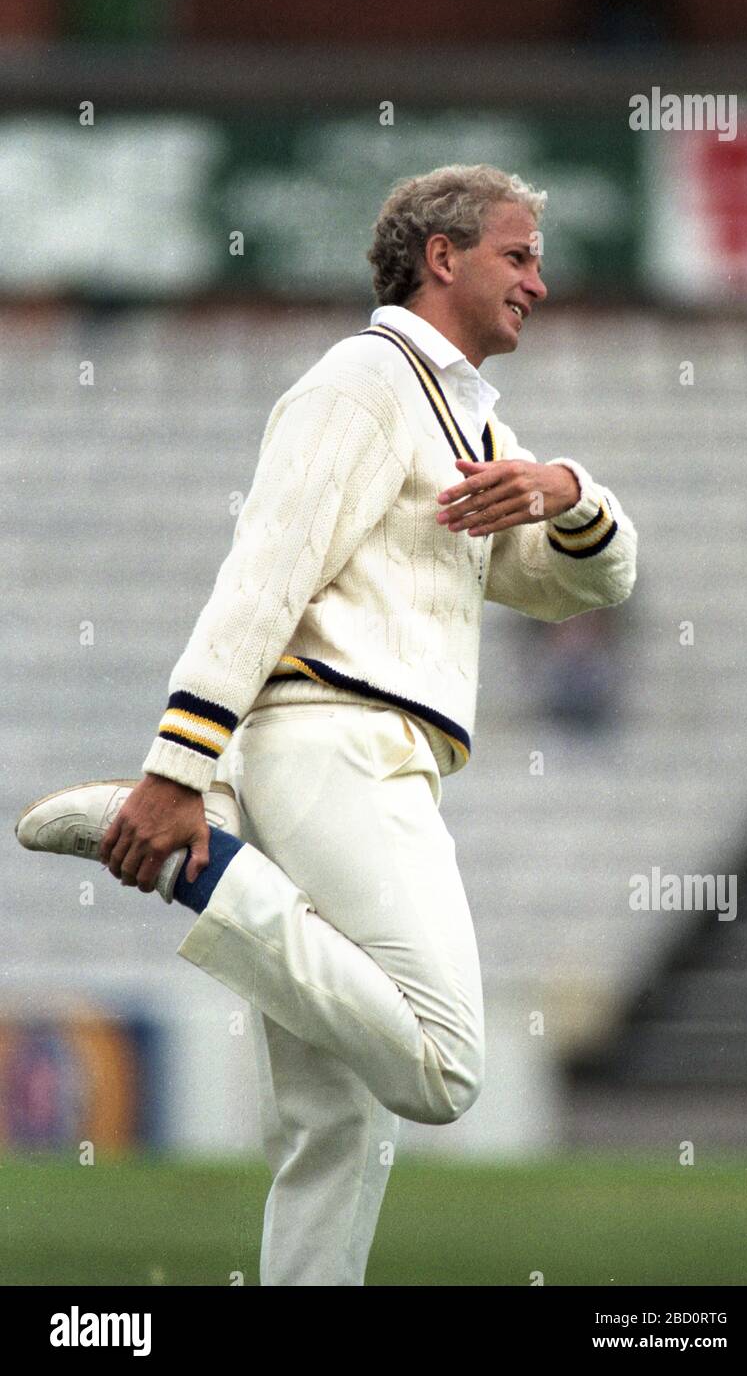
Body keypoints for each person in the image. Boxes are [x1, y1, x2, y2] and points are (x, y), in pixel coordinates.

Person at [16, 163, 638, 1286]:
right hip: (340, 745)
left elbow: (585, 586)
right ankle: (209, 871)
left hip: (347, 749)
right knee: (444, 1065)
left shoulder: (460, 410)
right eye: (519, 255)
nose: (539, 283)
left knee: (333, 1129)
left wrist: (568, 491)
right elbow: (263, 576)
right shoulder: (363, 383)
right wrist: (175, 769)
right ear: (441, 257)